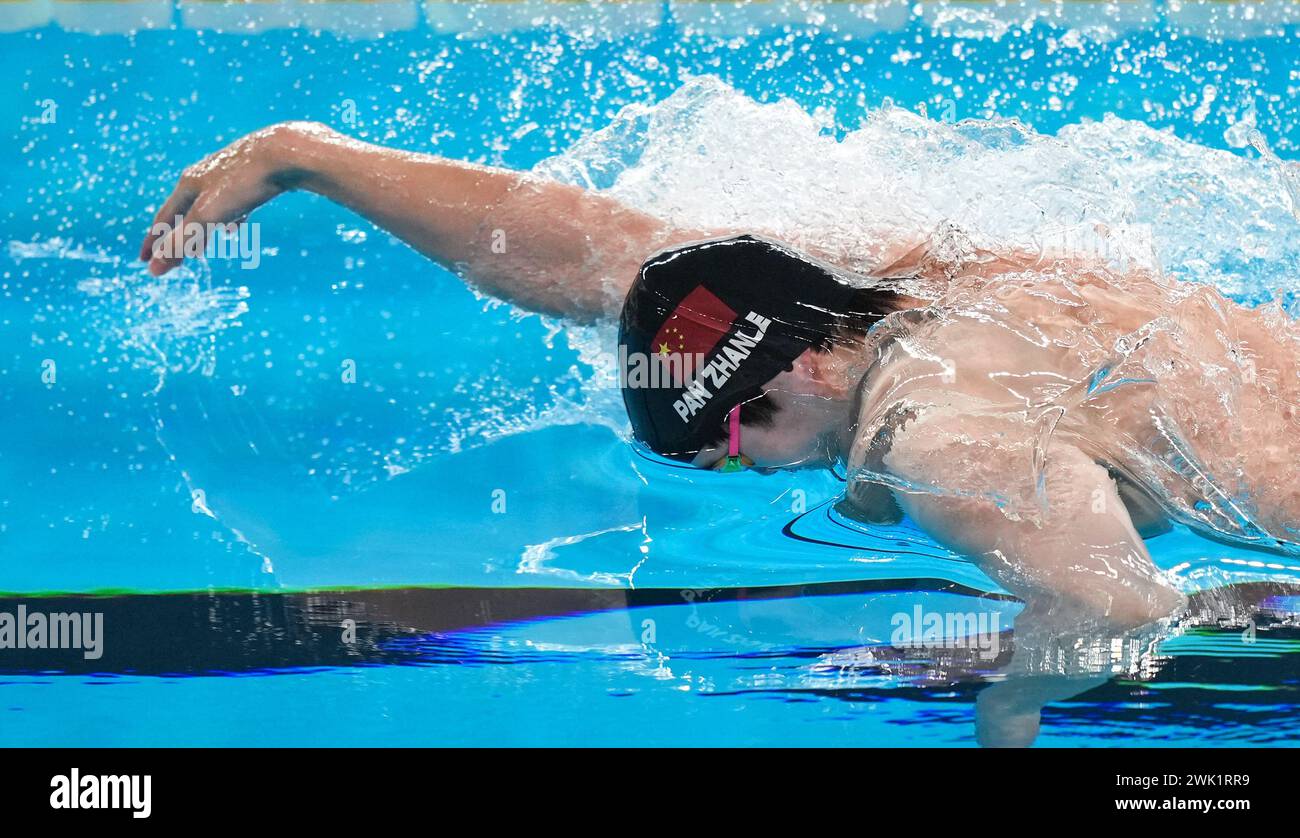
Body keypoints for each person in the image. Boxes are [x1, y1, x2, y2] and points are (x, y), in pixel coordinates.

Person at [142, 120, 1300, 641]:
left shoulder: (936, 443)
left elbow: (1128, 619)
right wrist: (309, 157)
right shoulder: (886, 283)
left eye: (742, 423)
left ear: (801, 366)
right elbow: (594, 253)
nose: (739, 454)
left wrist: (945, 663)